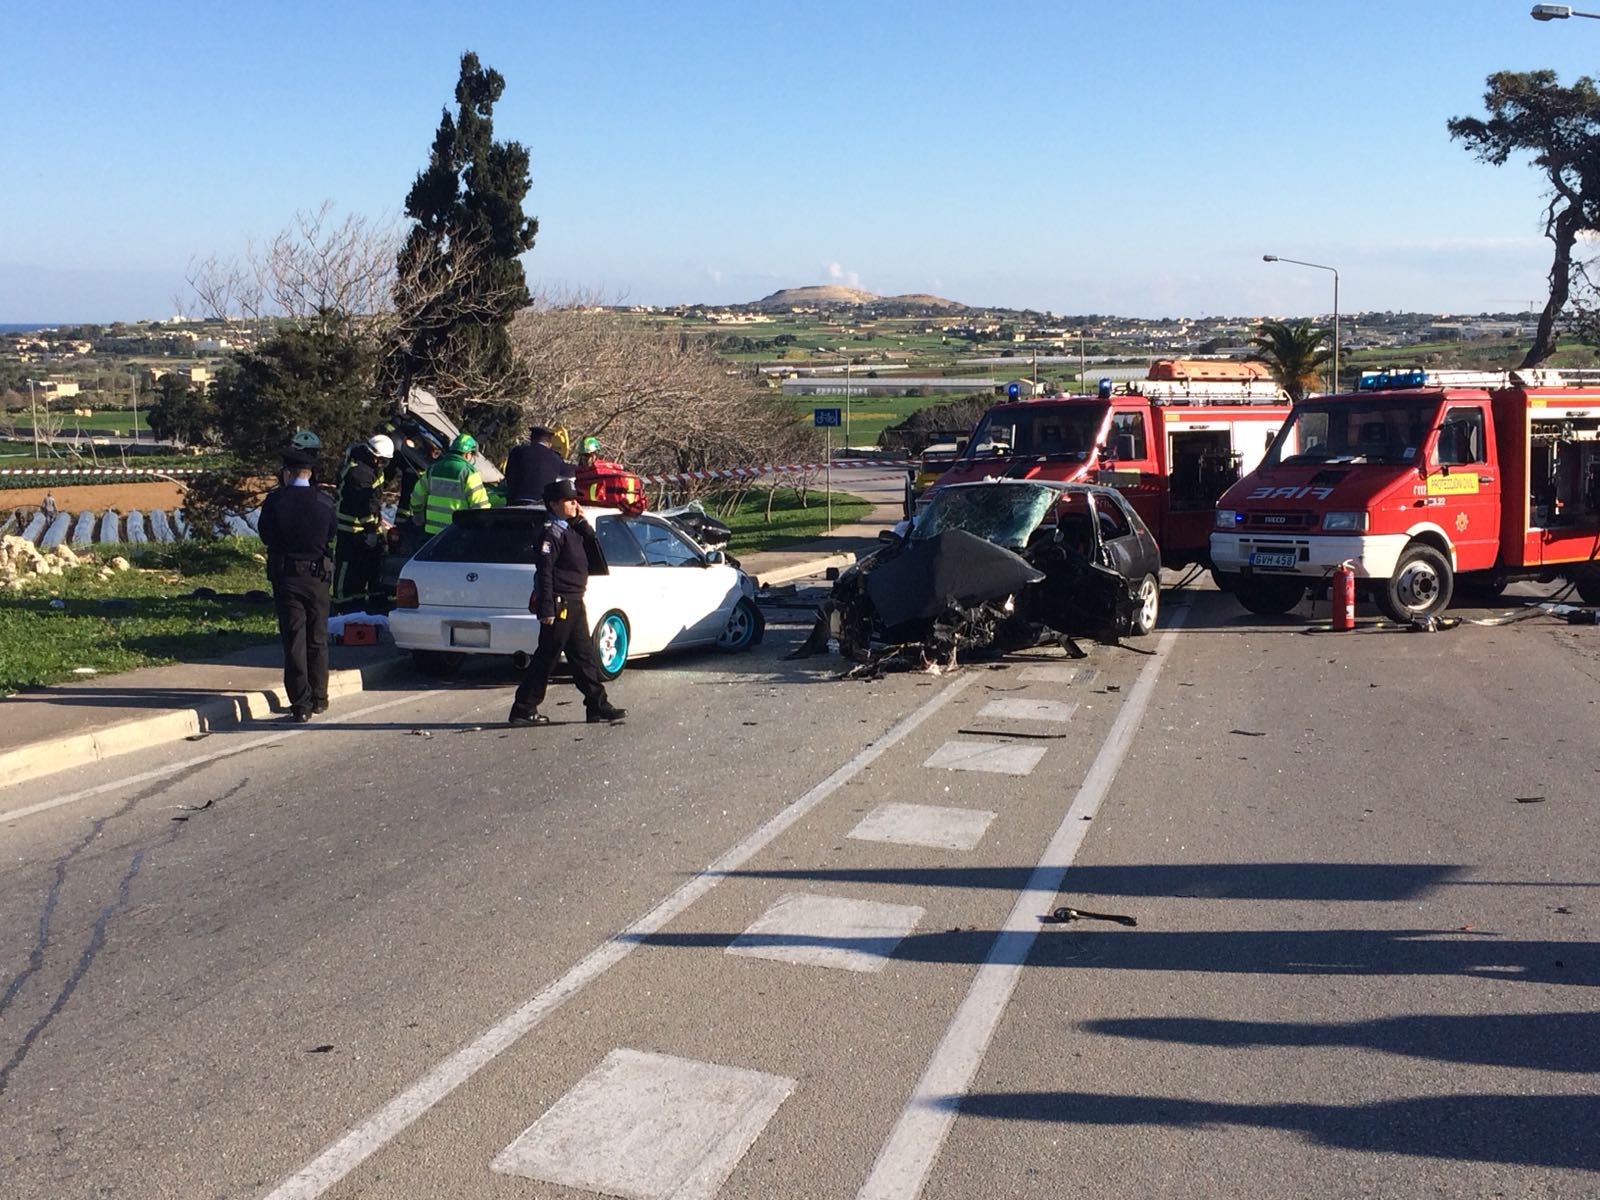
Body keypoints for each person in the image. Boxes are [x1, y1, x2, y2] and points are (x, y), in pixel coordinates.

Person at [507, 477, 626, 727]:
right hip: (560, 603)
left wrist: (583, 523)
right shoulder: (552, 532)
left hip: (574, 601)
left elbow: (595, 559)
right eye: (569, 502)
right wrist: (547, 607)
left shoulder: (571, 528)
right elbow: (545, 571)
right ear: (553, 504)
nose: (575, 505)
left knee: (584, 656)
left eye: (575, 501)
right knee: (547, 657)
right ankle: (523, 708)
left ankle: (597, 705)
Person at [259, 440, 338, 722]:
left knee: (294, 639)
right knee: (317, 638)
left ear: (287, 472)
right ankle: (320, 697)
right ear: (310, 473)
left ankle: (300, 704)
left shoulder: (275, 502)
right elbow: (330, 533)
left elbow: (265, 535)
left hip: (287, 575)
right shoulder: (324, 502)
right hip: (317, 577)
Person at [332, 433, 394, 613]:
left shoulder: (370, 468)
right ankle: (343, 605)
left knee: (367, 568)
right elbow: (363, 505)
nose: (383, 464)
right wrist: (371, 530)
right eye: (382, 460)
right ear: (374, 456)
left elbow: (373, 502)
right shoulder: (359, 473)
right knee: (348, 568)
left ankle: (366, 604)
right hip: (350, 529)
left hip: (366, 527)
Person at [410, 432, 491, 535]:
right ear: (467, 454)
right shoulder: (468, 473)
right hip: (455, 534)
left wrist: (417, 513)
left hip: (431, 533)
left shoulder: (433, 469)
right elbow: (481, 507)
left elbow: (417, 495)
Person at [573, 435, 648, 513]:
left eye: (589, 455)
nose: (586, 458)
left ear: (595, 453)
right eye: (584, 455)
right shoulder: (579, 472)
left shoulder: (603, 469)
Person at [503, 423, 572, 505]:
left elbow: (508, 473)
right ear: (548, 440)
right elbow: (568, 471)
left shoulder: (516, 452)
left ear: (531, 438)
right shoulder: (553, 457)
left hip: (515, 502)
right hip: (539, 504)